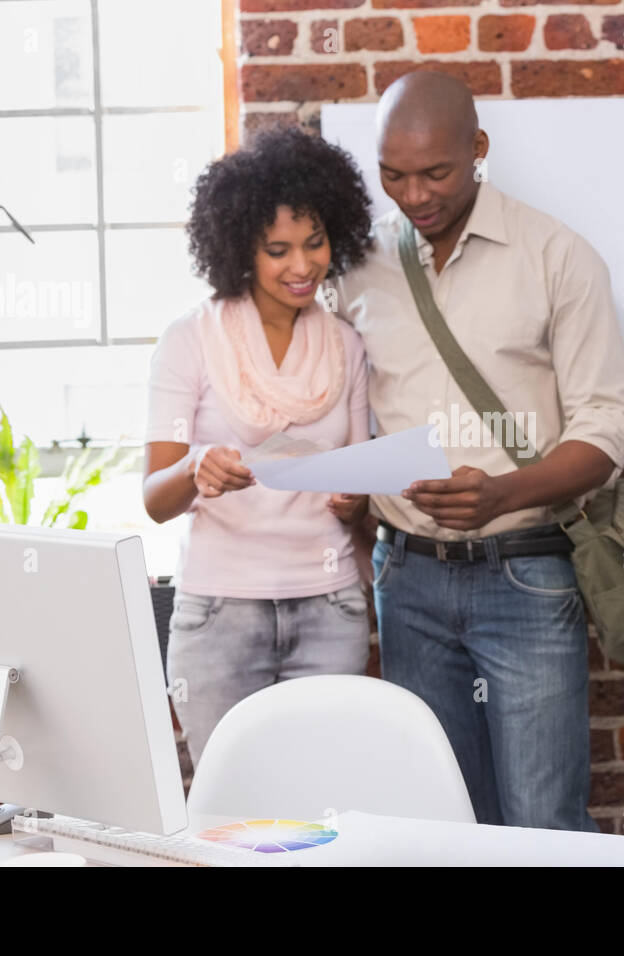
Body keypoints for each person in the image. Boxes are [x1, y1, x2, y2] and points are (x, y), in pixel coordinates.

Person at [332, 71, 624, 831]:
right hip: (404, 579)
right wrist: (349, 486)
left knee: (543, 823)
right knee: (442, 819)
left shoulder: (557, 257)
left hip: (527, 574)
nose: (414, 193)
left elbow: (606, 426)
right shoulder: (356, 267)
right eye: (392, 175)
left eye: (435, 172)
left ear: (479, 149)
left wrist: (505, 493)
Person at [142, 127, 376, 768]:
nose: (302, 267)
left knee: (325, 806)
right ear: (242, 247)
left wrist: (356, 503)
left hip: (331, 611)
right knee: (230, 815)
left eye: (315, 243)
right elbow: (155, 501)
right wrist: (196, 469)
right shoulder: (188, 341)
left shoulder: (346, 348)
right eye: (278, 250)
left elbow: (359, 500)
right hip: (219, 616)